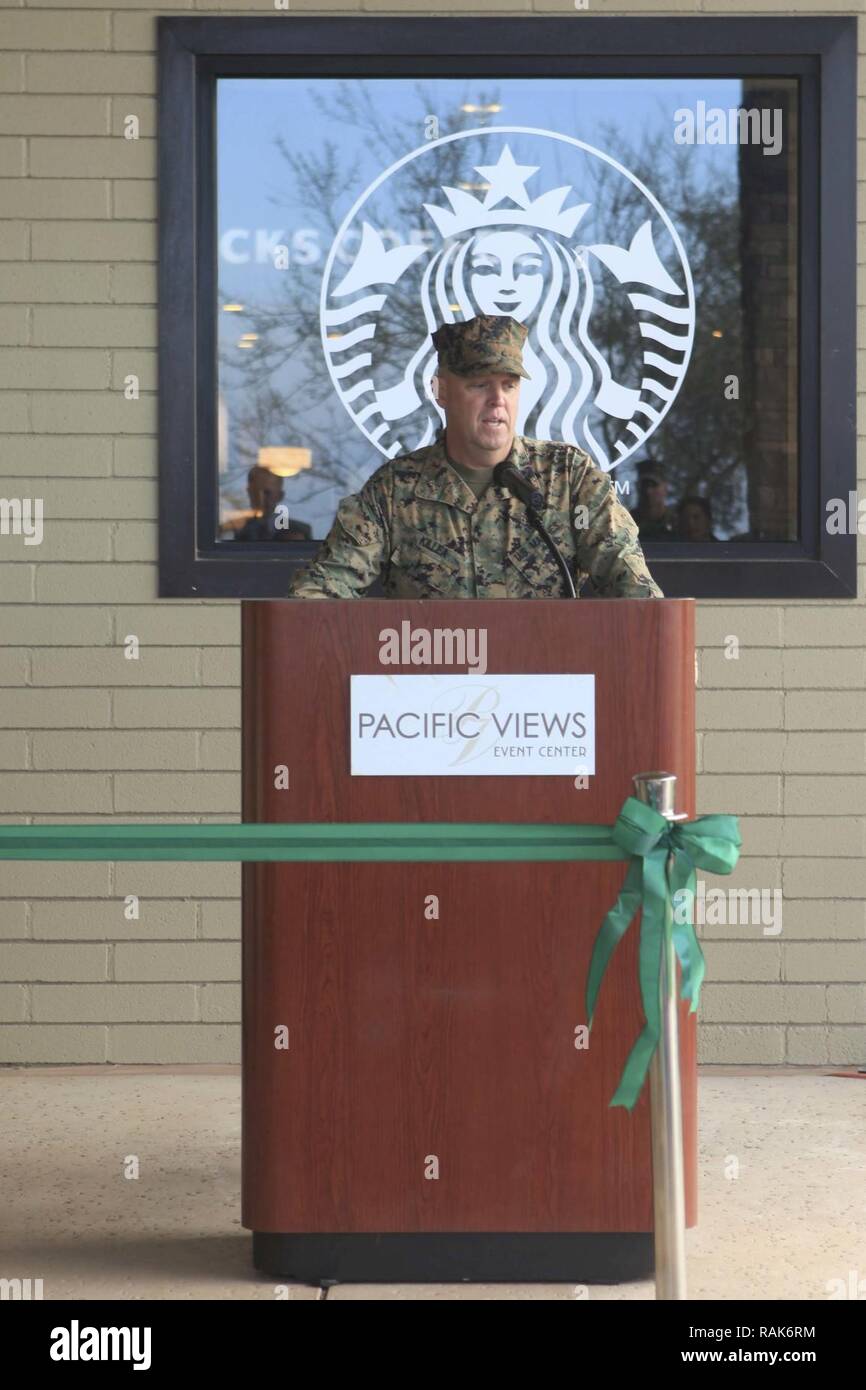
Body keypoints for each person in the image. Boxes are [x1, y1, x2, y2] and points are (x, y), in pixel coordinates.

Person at [289, 315, 662, 599]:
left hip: (548, 692)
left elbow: (633, 586)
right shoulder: (394, 491)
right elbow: (324, 589)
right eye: (480, 385)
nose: (497, 400)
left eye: (509, 386)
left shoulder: (568, 479)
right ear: (442, 392)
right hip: (428, 693)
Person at [234, 466, 312, 542]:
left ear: (280, 496)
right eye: (255, 492)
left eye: (267, 493)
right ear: (249, 493)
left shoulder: (300, 532)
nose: (260, 498)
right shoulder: (235, 530)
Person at [629, 464, 677, 541]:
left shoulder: (677, 522)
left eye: (654, 485)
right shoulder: (627, 521)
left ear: (665, 488)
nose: (648, 491)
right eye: (644, 486)